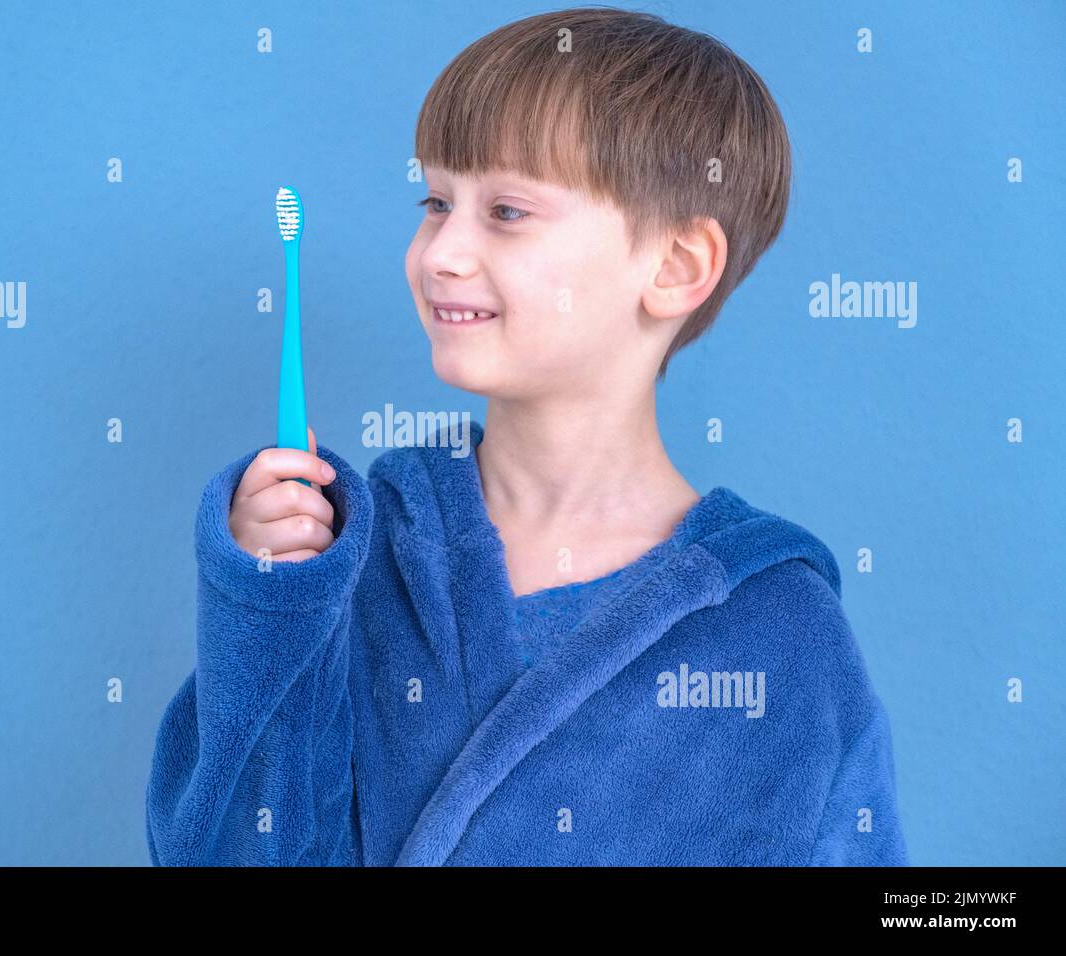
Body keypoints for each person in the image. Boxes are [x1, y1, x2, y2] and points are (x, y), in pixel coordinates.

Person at [147, 7, 907, 866]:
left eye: (506, 211)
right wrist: (270, 606)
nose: (439, 252)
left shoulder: (778, 630)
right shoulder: (348, 556)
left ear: (676, 266)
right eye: (436, 203)